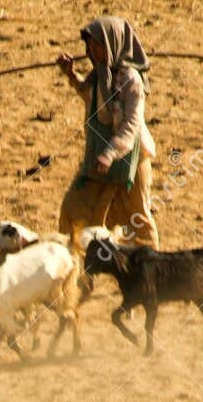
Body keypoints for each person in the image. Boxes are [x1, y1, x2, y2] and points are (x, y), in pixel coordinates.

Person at [56, 16, 160, 249]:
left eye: (98, 45)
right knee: (74, 208)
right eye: (90, 45)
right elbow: (94, 101)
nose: (93, 50)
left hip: (132, 157)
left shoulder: (131, 80)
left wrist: (110, 153)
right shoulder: (100, 75)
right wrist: (71, 75)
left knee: (137, 219)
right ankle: (74, 267)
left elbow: (130, 126)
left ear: (114, 43)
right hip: (101, 155)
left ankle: (152, 272)